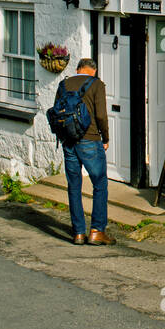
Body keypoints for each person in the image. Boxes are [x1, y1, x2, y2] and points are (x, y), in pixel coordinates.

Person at [59, 58, 113, 245]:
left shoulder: (63, 84)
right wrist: (105, 138)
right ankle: (97, 230)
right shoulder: (96, 84)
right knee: (99, 184)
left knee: (74, 186)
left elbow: (59, 112)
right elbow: (100, 115)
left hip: (68, 141)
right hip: (89, 139)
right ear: (94, 71)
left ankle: (78, 233)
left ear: (78, 69)